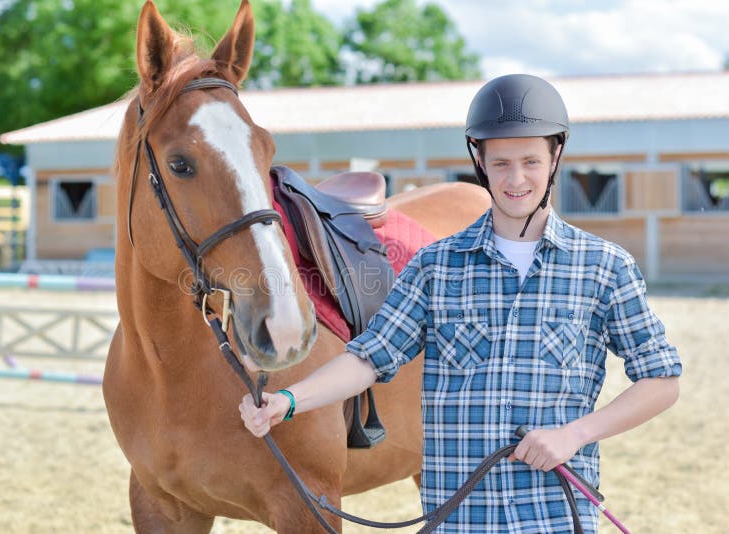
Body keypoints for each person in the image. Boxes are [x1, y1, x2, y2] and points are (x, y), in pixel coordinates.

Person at [239, 74, 681, 533]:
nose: (516, 179)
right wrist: (288, 401)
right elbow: (370, 359)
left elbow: (662, 380)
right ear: (480, 161)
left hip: (555, 517)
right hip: (459, 520)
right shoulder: (435, 266)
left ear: (555, 158)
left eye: (531, 161)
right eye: (502, 162)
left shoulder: (606, 267)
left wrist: (575, 434)